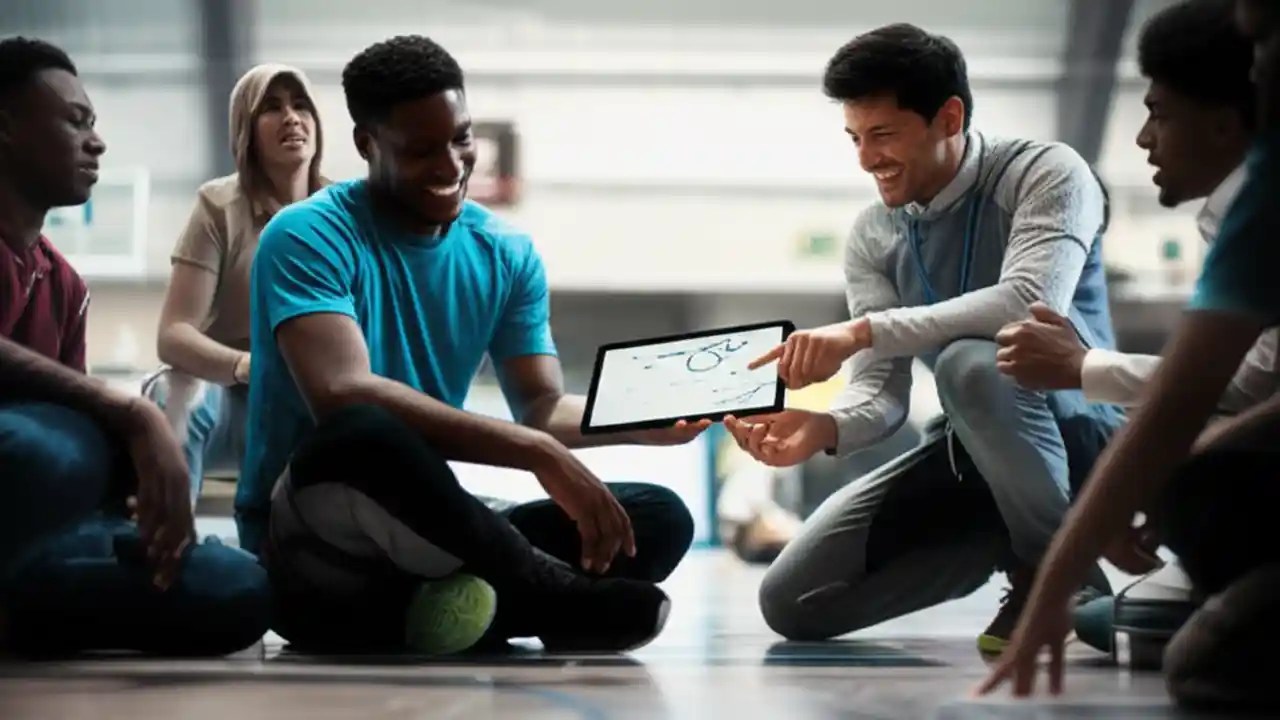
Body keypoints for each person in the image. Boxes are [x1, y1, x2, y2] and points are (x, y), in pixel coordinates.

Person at [240, 35, 707, 656]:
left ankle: (461, 608)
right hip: (314, 546)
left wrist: (639, 420)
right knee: (362, 434)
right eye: (421, 150)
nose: (452, 165)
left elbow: (541, 405)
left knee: (653, 517)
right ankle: (549, 596)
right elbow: (340, 393)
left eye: (461, 138)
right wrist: (536, 453)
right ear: (367, 145)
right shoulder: (304, 235)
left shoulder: (506, 253)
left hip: (427, 528)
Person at [725, 23, 1123, 655]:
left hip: (1085, 435)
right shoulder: (873, 236)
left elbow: (1026, 303)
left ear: (949, 117)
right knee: (791, 603)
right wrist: (821, 429)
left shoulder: (1046, 172)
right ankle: (1006, 540)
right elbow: (882, 395)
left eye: (882, 134)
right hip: (975, 444)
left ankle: (1058, 575)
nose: (865, 158)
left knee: (972, 363)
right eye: (855, 137)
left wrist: (862, 332)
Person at [977, 0, 1280, 710]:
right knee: (1135, 614)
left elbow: (1215, 390)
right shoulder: (1250, 196)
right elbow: (1205, 394)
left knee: (1198, 652)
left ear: (1224, 122)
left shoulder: (1259, 190)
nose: (1143, 138)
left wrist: (1082, 367)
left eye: (1159, 113)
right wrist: (1066, 572)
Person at [0, 36, 270, 656]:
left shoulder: (63, 283)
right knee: (51, 452)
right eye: (75, 121)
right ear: (6, 127)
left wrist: (145, 515)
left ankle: (21, 612)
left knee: (238, 586)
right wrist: (132, 412)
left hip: (30, 526)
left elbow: (71, 431)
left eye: (94, 124)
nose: (96, 142)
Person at [148, 63, 327, 504]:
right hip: (232, 404)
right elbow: (173, 336)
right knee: (173, 389)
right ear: (246, 129)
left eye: (301, 105)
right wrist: (248, 367)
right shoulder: (218, 207)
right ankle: (167, 540)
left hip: (314, 404)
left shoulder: (344, 212)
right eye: (272, 107)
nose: (291, 117)